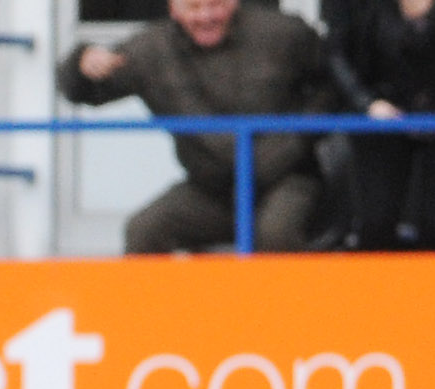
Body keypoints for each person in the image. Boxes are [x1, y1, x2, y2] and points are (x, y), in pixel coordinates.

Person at [59, 0, 336, 254]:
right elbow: (84, 89)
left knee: (275, 234)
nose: (205, 16)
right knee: (145, 230)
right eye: (193, 7)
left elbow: (334, 84)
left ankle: (283, 309)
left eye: (215, 5)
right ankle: (157, 309)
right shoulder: (151, 49)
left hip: (287, 180)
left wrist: (295, 140)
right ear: (173, 9)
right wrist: (82, 65)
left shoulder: (282, 32)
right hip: (212, 190)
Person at [324, 0, 435, 250]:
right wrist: (367, 102)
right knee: (376, 223)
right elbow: (337, 51)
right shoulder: (361, 9)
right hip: (381, 121)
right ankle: (378, 288)